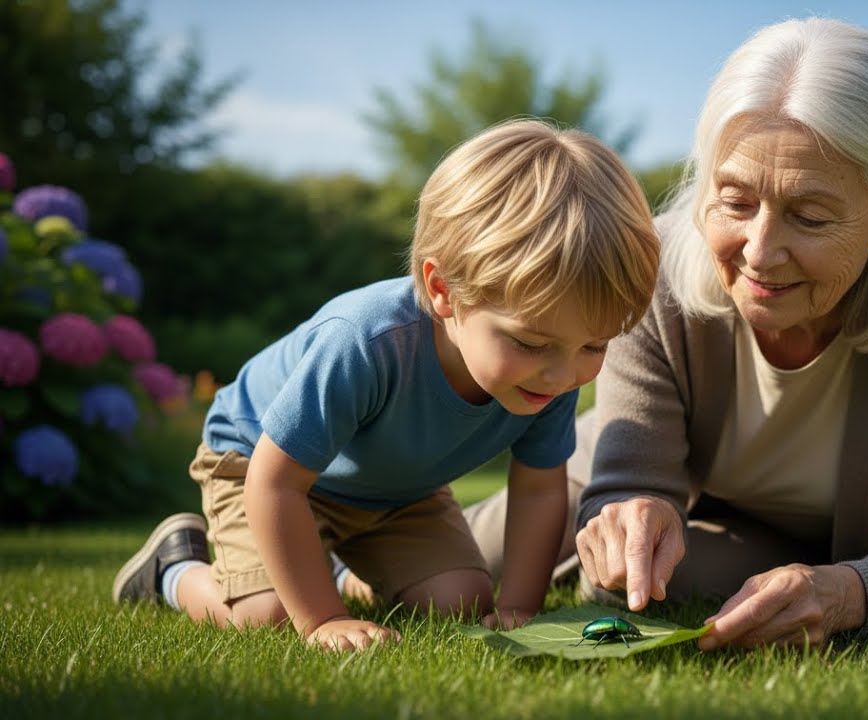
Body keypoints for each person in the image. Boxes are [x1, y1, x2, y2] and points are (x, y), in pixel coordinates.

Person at [464, 17, 868, 651]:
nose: (760, 251)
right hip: (606, 470)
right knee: (454, 566)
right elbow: (632, 474)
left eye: (809, 217)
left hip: (795, 542)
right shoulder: (660, 266)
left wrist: (841, 592)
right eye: (735, 201)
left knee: (712, 584)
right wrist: (631, 517)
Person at [111, 119, 660, 652]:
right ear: (443, 289)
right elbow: (275, 484)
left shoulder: (549, 374)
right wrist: (323, 619)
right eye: (529, 343)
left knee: (460, 602)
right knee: (271, 615)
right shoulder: (366, 343)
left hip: (398, 493)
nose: (564, 375)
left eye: (594, 346)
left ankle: (340, 567)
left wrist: (518, 604)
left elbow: (540, 489)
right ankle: (172, 569)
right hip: (258, 463)